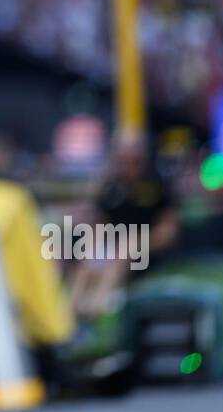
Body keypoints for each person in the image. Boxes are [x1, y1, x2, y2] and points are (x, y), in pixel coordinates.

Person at [68, 130, 180, 323]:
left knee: (123, 249)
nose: (126, 168)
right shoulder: (112, 188)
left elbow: (169, 230)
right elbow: (100, 223)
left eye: (132, 161)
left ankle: (96, 309)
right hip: (113, 248)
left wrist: (140, 243)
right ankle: (71, 314)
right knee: (88, 262)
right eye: (122, 161)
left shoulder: (157, 186)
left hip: (144, 253)